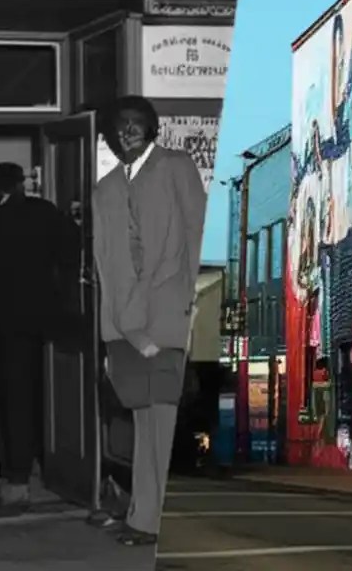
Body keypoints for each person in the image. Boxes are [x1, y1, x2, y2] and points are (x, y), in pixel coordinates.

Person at [92, 96, 207, 546]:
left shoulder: (175, 167)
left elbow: (196, 238)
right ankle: (145, 516)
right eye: (118, 127)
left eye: (135, 125)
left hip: (165, 323)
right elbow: (109, 265)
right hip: (125, 328)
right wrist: (117, 333)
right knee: (145, 427)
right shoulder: (107, 188)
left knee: (162, 425)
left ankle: (151, 521)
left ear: (153, 128)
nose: (127, 134)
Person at [0, 162, 77, 512]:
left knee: (15, 400)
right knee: (57, 395)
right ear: (21, 185)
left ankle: (18, 479)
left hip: (9, 323)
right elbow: (73, 252)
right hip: (52, 319)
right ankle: (65, 470)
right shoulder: (46, 212)